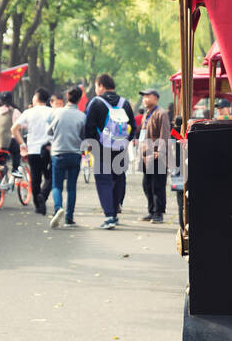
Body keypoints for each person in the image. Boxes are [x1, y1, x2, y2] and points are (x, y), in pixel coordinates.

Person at [84, 73, 139, 230]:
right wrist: (124, 142)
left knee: (104, 181)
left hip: (101, 149)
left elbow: (88, 127)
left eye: (96, 86)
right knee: (119, 179)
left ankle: (109, 216)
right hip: (120, 149)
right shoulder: (125, 103)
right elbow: (133, 127)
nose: (96, 90)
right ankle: (114, 211)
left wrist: (89, 145)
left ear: (101, 85)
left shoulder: (95, 103)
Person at [47, 86, 87, 229]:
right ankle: (69, 218)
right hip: (75, 154)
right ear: (80, 98)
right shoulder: (82, 116)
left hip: (58, 153)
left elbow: (49, 132)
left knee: (57, 185)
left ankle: (58, 209)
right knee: (71, 187)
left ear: (67, 97)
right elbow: (84, 136)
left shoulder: (57, 113)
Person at [13, 87, 55, 215]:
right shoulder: (52, 112)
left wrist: (22, 144)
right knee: (50, 176)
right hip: (48, 149)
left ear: (36, 98)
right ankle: (43, 195)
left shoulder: (28, 112)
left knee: (35, 178)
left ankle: (38, 206)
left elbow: (14, 129)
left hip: (32, 150)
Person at [138, 88, 170, 223]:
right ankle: (151, 211)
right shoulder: (147, 114)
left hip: (157, 156)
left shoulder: (161, 113)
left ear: (155, 98)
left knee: (158, 186)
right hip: (147, 156)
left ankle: (159, 213)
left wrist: (161, 151)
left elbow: (165, 133)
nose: (144, 99)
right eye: (143, 97)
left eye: (147, 97)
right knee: (147, 185)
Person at [0, 91, 21, 174]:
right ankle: (15, 170)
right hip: (7, 142)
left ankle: (0, 176)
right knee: (17, 152)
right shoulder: (15, 111)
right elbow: (19, 126)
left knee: (0, 163)